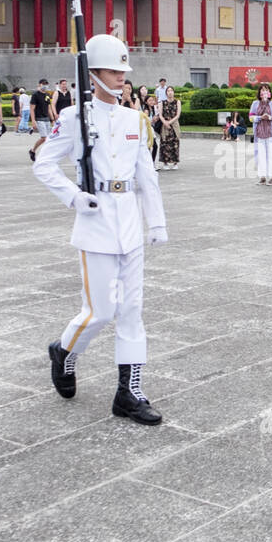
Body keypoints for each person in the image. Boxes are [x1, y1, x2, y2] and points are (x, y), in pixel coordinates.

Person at [37, 34, 168, 425]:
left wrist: (156, 221)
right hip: (95, 224)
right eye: (113, 71)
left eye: (124, 72)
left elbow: (148, 175)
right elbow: (43, 164)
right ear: (92, 74)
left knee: (132, 310)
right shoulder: (75, 118)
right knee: (100, 311)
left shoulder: (134, 119)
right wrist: (74, 197)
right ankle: (64, 350)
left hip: (128, 221)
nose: (121, 79)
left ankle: (129, 392)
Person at [248, 83, 272, 184]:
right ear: (259, 92)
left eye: (266, 89)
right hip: (259, 133)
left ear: (270, 92)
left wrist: (270, 118)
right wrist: (259, 118)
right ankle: (262, 176)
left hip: (270, 133)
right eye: (262, 90)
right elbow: (251, 117)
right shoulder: (255, 104)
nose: (264, 92)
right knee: (260, 154)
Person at [29, 78, 55, 161]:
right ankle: (33, 150)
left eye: (46, 84)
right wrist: (33, 121)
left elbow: (49, 108)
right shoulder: (35, 95)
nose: (45, 86)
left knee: (48, 138)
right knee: (44, 137)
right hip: (39, 118)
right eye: (43, 84)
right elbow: (32, 108)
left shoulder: (47, 95)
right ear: (39, 84)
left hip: (46, 119)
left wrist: (52, 119)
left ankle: (34, 151)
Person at [157, 85, 181, 169]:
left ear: (174, 92)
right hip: (165, 126)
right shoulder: (162, 102)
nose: (170, 92)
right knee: (165, 143)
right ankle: (165, 163)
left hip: (174, 125)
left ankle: (175, 163)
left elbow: (178, 115)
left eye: (171, 90)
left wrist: (169, 122)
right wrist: (165, 122)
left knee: (175, 143)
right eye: (168, 91)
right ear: (166, 93)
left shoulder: (177, 102)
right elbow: (160, 114)